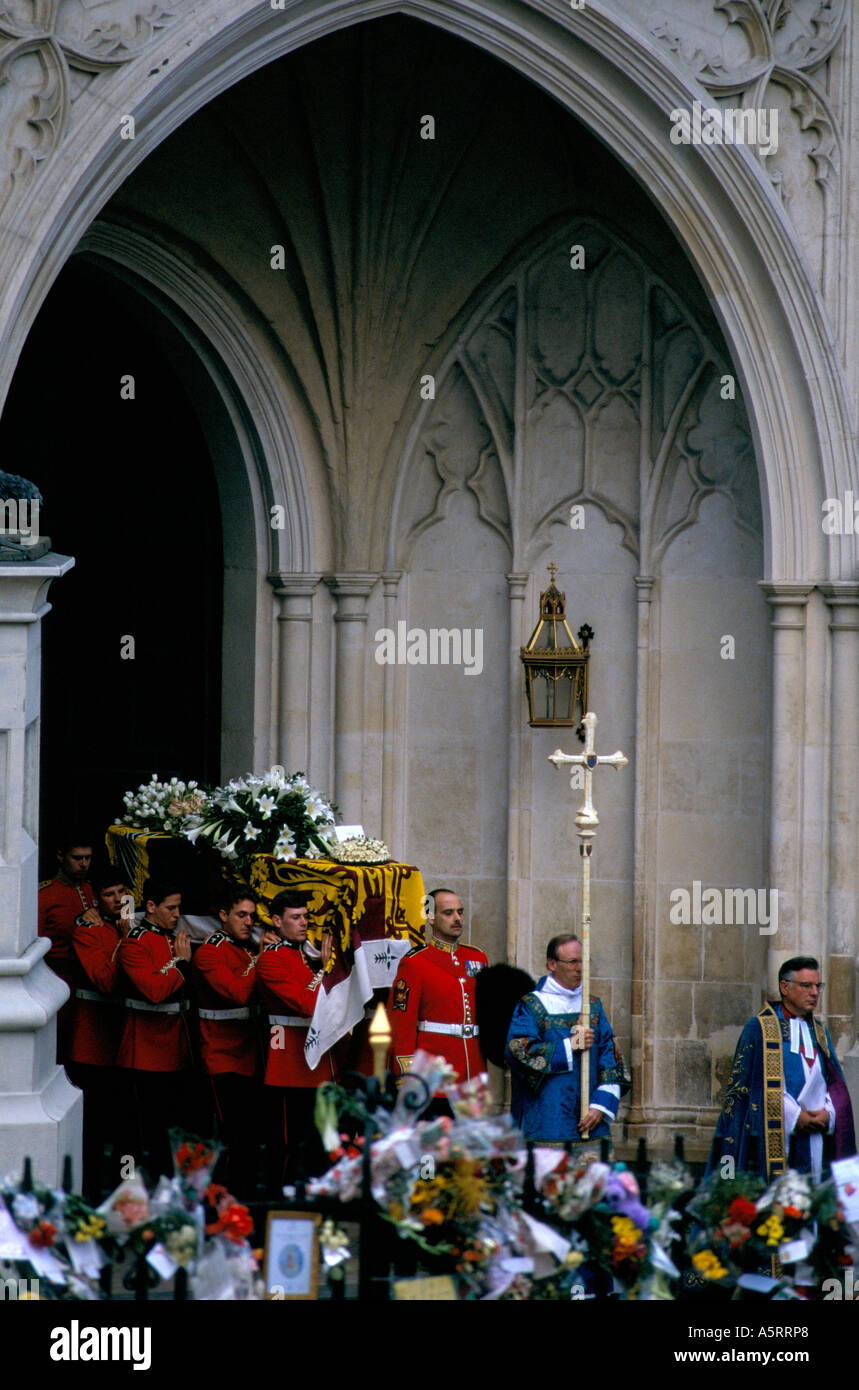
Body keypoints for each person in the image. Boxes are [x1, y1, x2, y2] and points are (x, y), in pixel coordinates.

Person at [707, 956, 856, 1181]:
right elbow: (751, 1088)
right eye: (806, 985)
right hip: (775, 1142)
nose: (814, 993)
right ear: (784, 987)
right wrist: (795, 1116)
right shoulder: (759, 1028)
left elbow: (834, 1083)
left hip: (817, 1139)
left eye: (818, 986)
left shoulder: (819, 1031)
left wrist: (829, 1114)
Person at [506, 934, 627, 1146]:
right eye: (573, 962)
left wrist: (600, 1106)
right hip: (547, 1124)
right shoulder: (532, 1006)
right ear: (552, 964)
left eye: (583, 961)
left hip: (591, 1124)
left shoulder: (593, 1006)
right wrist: (569, 1046)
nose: (580, 968)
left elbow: (612, 1058)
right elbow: (518, 1053)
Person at [116, 877, 201, 1179]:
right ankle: (129, 1188)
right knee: (139, 1134)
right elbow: (154, 991)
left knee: (170, 1131)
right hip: (145, 1052)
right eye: (171, 908)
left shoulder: (169, 937)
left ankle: (167, 1187)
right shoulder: (134, 944)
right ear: (150, 907)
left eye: (179, 908)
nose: (177, 914)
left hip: (176, 1048)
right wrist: (180, 964)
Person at [255, 891, 335, 1186]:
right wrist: (325, 970)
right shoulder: (271, 960)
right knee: (289, 1150)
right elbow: (308, 1004)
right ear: (277, 921)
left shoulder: (306, 954)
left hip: (320, 1064)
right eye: (295, 918)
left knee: (321, 1149)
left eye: (306, 917)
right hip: (289, 1064)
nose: (303, 923)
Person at [66, 868, 133, 1198]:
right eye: (110, 894)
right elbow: (105, 982)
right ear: (96, 900)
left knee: (127, 1130)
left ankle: (126, 1190)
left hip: (126, 1044)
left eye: (122, 892)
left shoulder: (133, 923)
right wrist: (127, 941)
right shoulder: (87, 931)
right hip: (93, 1045)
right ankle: (90, 1194)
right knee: (92, 1130)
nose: (119, 900)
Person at [193, 886, 262, 1197]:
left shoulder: (246, 949)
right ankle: (224, 1202)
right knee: (230, 1136)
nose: (249, 922)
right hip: (220, 1056)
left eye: (252, 916)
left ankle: (243, 1202)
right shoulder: (210, 952)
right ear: (223, 916)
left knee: (247, 1137)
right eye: (241, 915)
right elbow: (238, 992)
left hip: (249, 1055)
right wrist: (263, 961)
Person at [389, 889, 488, 1094]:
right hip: (434, 1073)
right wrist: (406, 1073)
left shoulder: (477, 958)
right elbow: (402, 1024)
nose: (457, 918)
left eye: (460, 912)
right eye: (448, 913)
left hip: (473, 1071)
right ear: (430, 917)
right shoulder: (415, 962)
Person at [38, 835, 97, 1061]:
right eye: (77, 858)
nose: (84, 864)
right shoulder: (45, 895)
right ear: (61, 857)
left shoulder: (94, 890)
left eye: (88, 858)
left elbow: (126, 911)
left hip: (91, 983)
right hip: (58, 980)